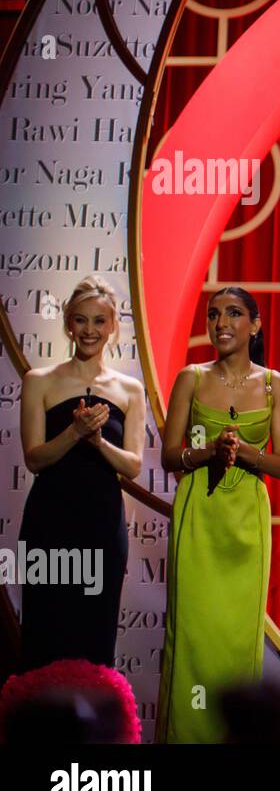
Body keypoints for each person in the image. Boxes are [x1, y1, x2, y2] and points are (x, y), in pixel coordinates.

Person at [156, 287, 280, 743]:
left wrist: (246, 453)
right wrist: (209, 450)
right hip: (200, 515)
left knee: (238, 640)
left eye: (234, 314)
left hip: (247, 525)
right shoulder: (191, 378)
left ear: (255, 324)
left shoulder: (275, 384)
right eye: (213, 314)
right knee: (192, 635)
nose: (221, 323)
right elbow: (170, 457)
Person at [18, 276, 145, 672]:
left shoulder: (129, 389)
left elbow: (133, 466)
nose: (90, 330)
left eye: (99, 322)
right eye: (81, 321)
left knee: (95, 639)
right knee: (44, 637)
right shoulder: (38, 381)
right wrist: (74, 431)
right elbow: (35, 459)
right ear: (68, 325)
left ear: (112, 328)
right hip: (49, 524)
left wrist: (98, 443)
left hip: (102, 528)